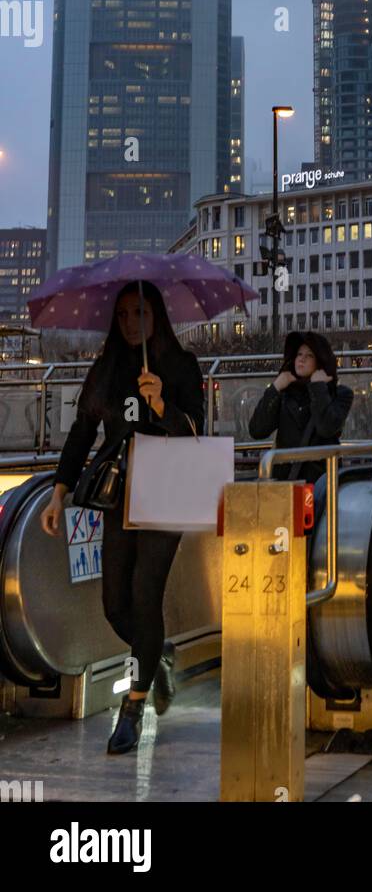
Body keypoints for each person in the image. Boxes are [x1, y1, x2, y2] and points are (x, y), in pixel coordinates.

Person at [40, 282, 203, 755]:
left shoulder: (179, 366)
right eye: (125, 315)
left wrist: (161, 405)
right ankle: (158, 656)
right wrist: (58, 495)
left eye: (142, 313)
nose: (133, 323)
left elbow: (196, 429)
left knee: (144, 595)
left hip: (168, 495)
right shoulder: (106, 370)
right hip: (120, 497)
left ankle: (133, 706)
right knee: (115, 604)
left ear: (158, 318)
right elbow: (80, 435)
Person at [248, 330, 353, 480]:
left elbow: (326, 427)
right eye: (299, 354)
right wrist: (275, 387)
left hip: (321, 485)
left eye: (309, 355)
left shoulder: (340, 394)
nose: (301, 359)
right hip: (286, 484)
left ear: (320, 361)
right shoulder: (285, 393)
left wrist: (318, 387)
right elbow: (257, 430)